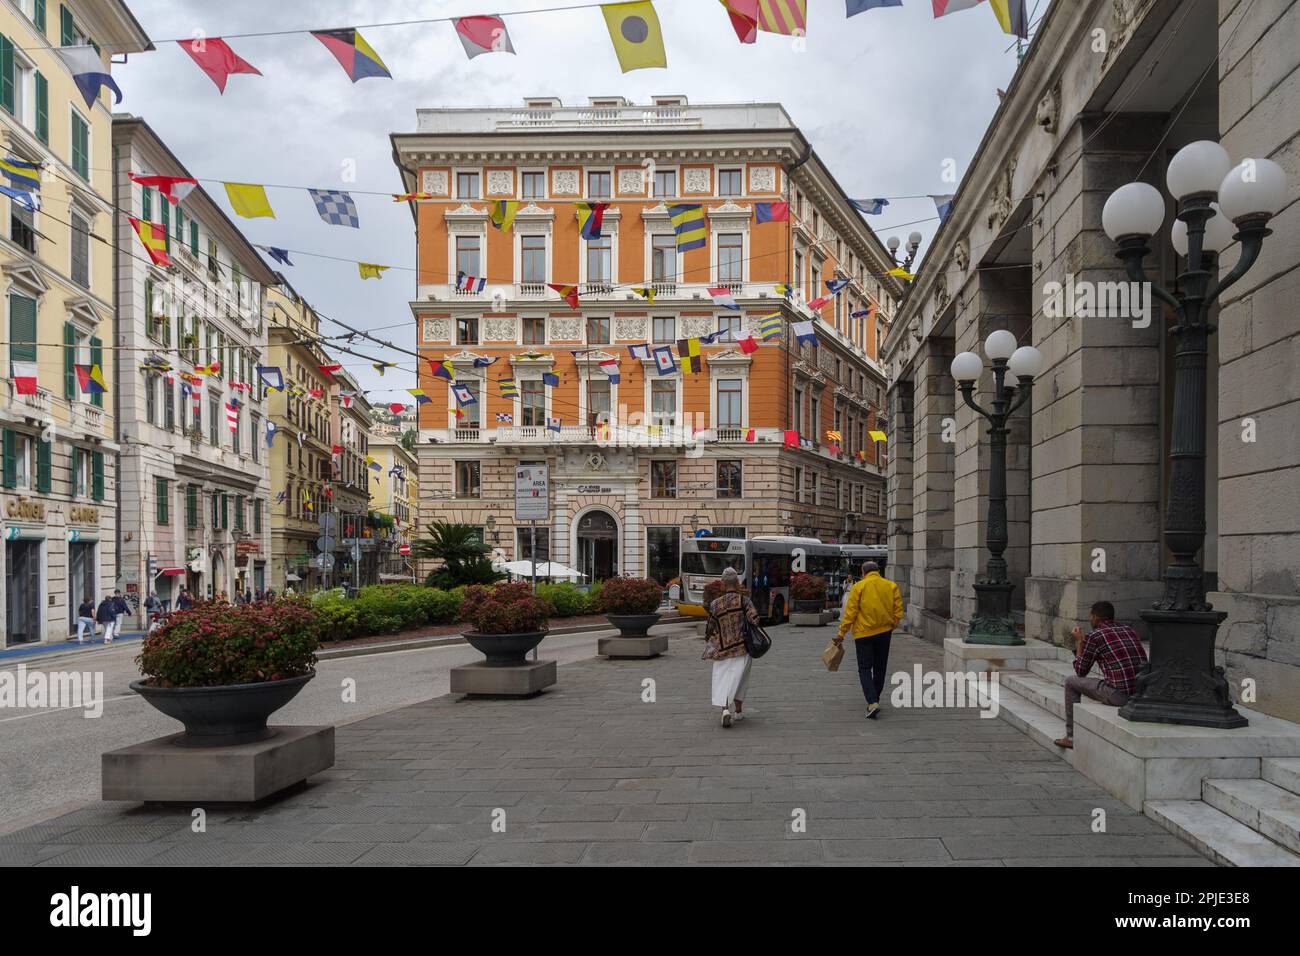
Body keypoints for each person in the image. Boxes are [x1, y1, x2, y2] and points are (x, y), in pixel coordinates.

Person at [1054, 601, 1147, 749]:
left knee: (1071, 682)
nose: (1090, 619)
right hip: (1140, 693)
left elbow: (1080, 671)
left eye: (1090, 616)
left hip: (1120, 695)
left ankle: (1071, 736)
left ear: (1096, 618)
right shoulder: (1129, 630)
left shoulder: (1095, 635)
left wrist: (1079, 641)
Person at [834, 561, 903, 719]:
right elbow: (898, 610)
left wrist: (841, 633)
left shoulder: (859, 587)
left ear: (863, 572)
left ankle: (872, 702)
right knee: (880, 667)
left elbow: (850, 613)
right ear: (878, 571)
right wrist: (892, 625)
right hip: (884, 633)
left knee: (864, 668)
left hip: (863, 634)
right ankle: (875, 699)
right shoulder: (891, 586)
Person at [703, 567, 761, 728]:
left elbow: (709, 627)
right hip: (742, 648)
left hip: (722, 649)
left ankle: (724, 710)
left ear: (723, 583)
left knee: (722, 679)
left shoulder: (715, 604)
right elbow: (755, 620)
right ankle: (739, 712)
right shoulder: (744, 601)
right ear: (737, 582)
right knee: (740, 680)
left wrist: (709, 640)